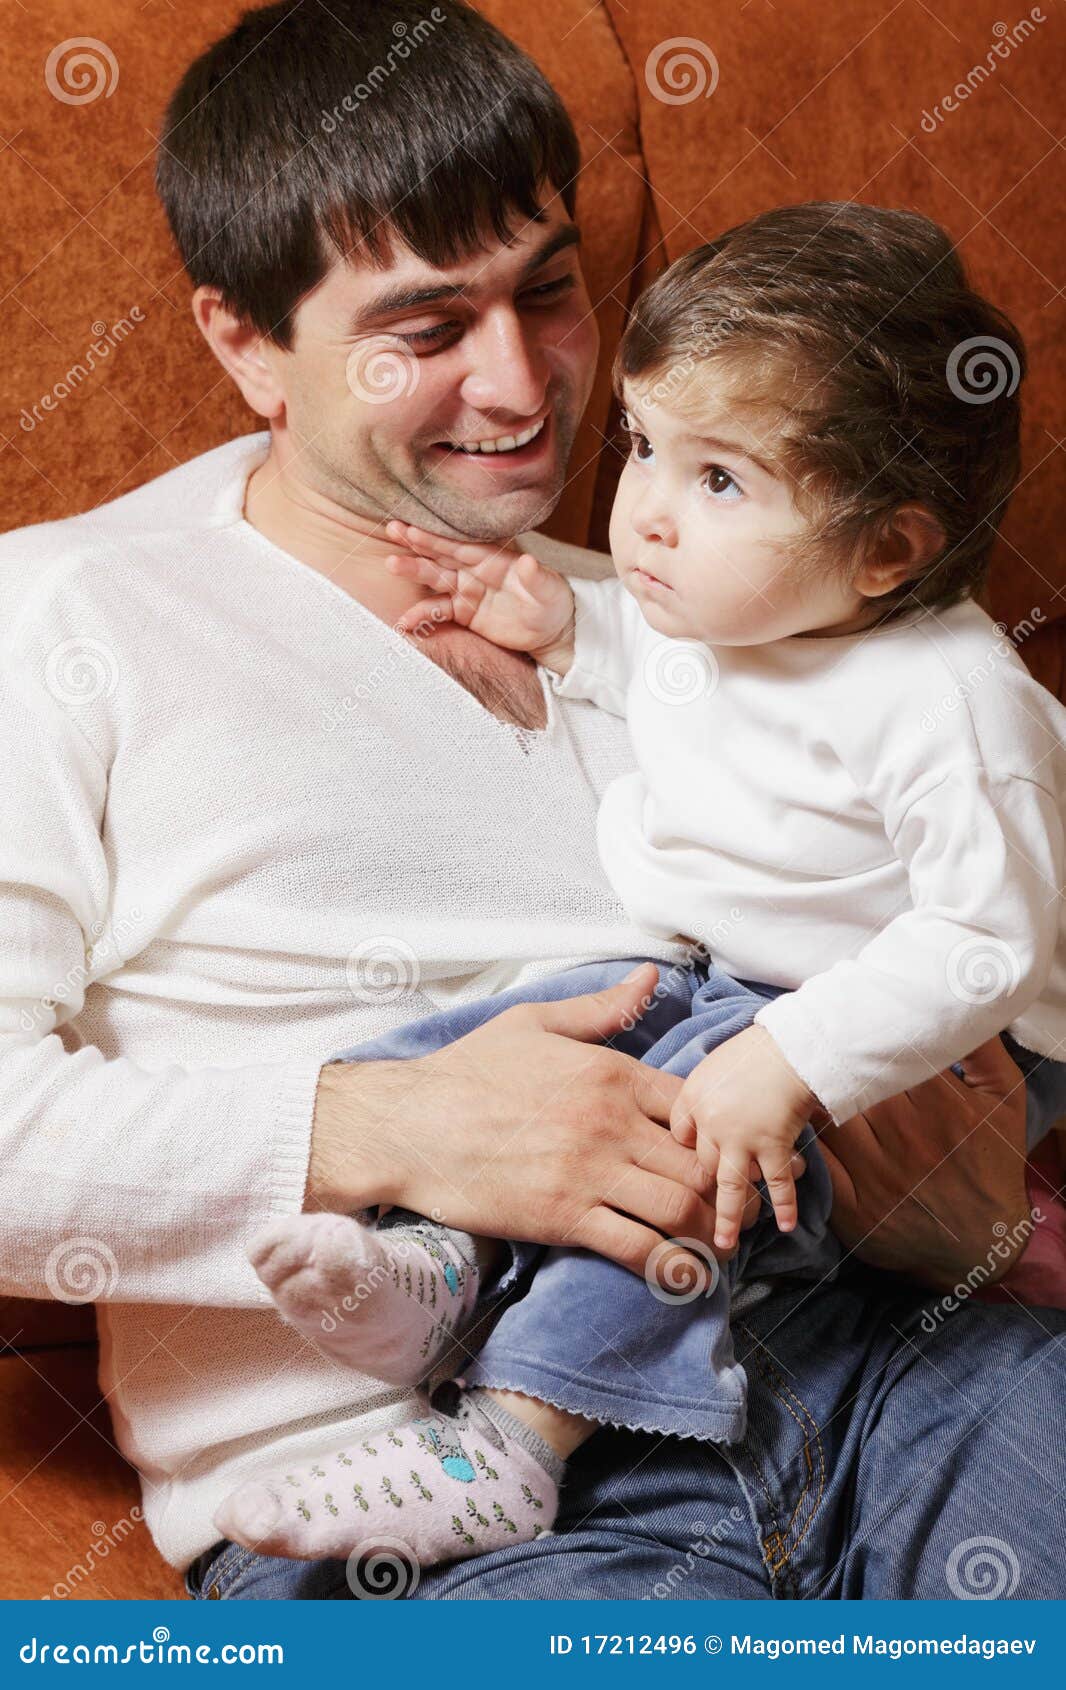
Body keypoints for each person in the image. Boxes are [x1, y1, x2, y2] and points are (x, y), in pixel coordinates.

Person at [0, 0, 1059, 1604]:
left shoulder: (728, 590)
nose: (522, 384)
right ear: (242, 343)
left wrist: (935, 1149)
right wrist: (388, 1123)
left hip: (885, 1374)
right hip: (402, 1483)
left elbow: (969, 1027)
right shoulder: (65, 617)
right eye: (425, 328)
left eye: (549, 292)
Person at [209, 203, 1066, 1574]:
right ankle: (438, 1264)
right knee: (475, 1047)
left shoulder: (950, 702)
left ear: (888, 552)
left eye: (716, 479)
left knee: (682, 1151)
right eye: (646, 445)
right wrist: (570, 632)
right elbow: (695, 707)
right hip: (734, 978)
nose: (645, 515)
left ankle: (509, 1445)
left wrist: (786, 1059)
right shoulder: (751, 600)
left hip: (908, 1019)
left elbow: (984, 942)